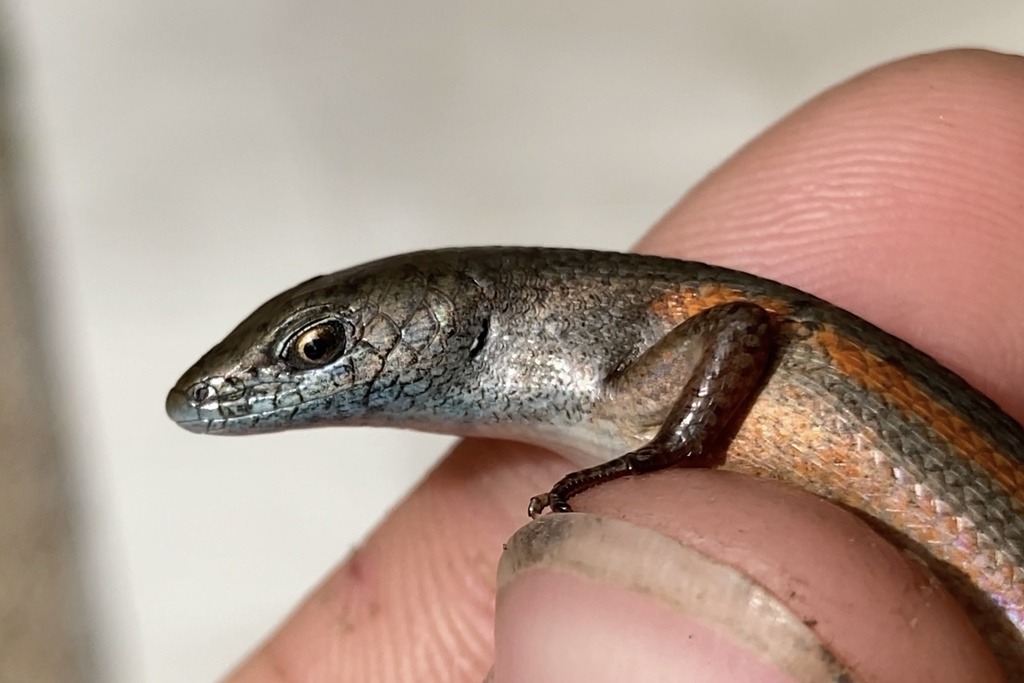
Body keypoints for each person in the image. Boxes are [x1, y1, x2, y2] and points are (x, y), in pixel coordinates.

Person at [224, 49, 1024, 682]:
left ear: (457, 319)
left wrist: (672, 452)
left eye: (318, 350)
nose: (296, 373)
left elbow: (742, 329)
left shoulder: (622, 363)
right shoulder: (597, 381)